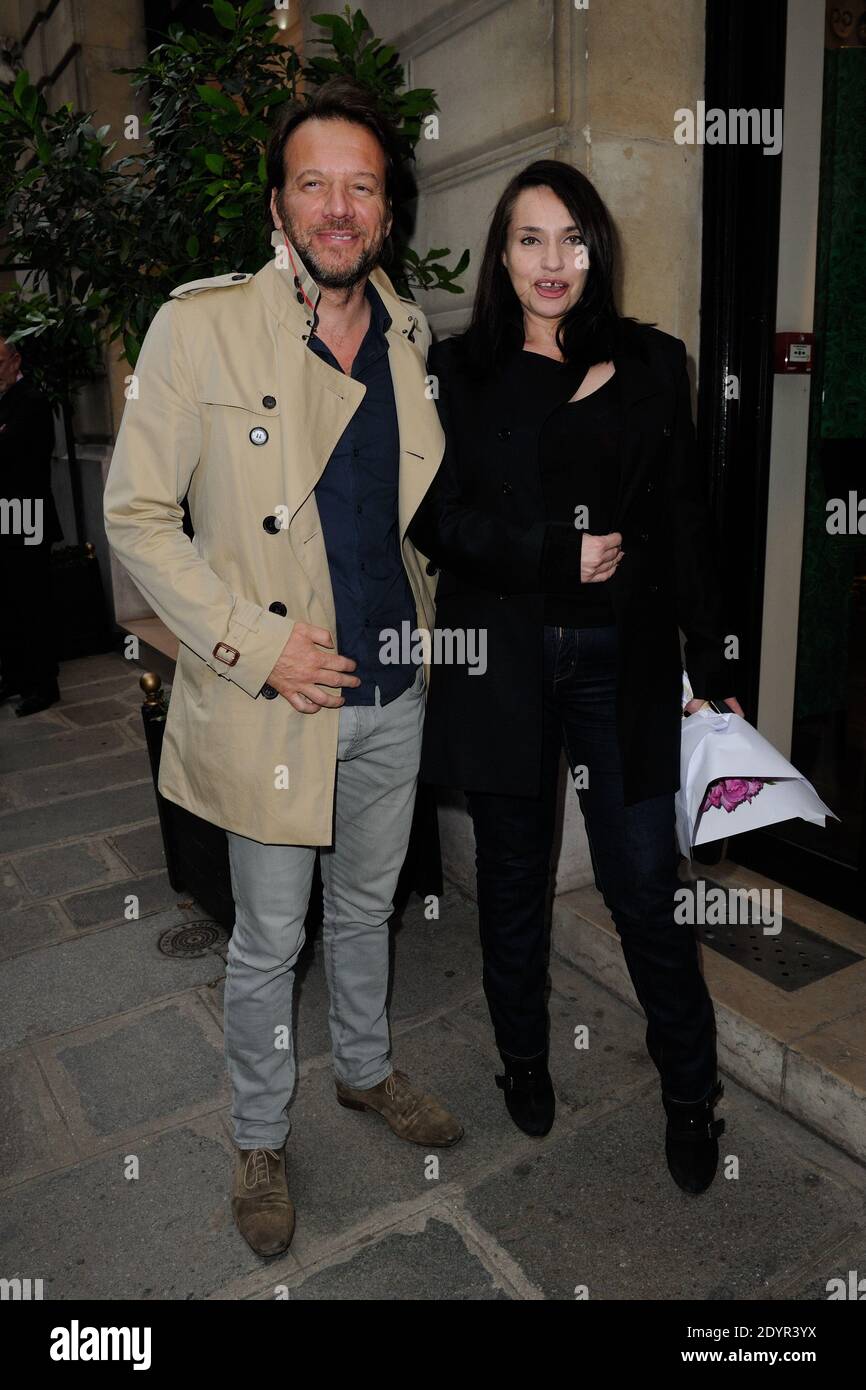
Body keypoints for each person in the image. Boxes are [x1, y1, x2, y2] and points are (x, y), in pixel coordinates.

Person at [103, 78, 463, 1260]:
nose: (337, 205)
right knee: (269, 939)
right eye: (313, 182)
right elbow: (138, 514)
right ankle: (260, 1135)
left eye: (361, 184)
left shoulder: (410, 335)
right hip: (278, 699)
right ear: (277, 204)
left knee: (367, 905)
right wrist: (257, 648)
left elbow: (410, 518)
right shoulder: (195, 325)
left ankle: (362, 1069)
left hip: (392, 689)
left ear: (387, 213)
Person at [409, 159, 743, 1195]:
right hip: (504, 666)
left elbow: (687, 523)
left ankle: (689, 1094)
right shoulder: (455, 371)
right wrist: (554, 552)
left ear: (596, 249)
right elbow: (434, 519)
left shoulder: (652, 361)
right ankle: (522, 1059)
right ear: (498, 255)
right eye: (527, 238)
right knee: (511, 886)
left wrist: (711, 661)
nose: (551, 262)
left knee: (645, 887)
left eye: (571, 239)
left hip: (621, 665)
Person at [0, 336, 63, 715]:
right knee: (7, 604)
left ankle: (43, 684)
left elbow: (20, 455)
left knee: (31, 601)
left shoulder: (32, 401)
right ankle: (16, 676)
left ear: (14, 360)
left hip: (25, 516)